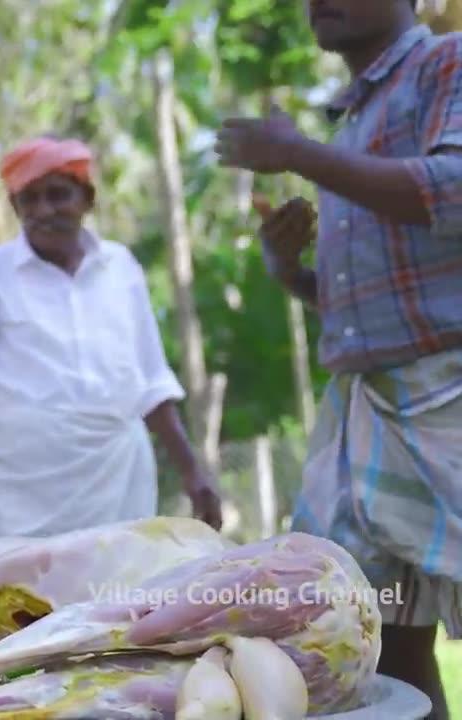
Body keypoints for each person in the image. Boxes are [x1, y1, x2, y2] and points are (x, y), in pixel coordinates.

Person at [214, 1, 461, 715]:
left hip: (448, 394)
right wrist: (290, 270)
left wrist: (297, 152)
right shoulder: (353, 118)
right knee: (376, 633)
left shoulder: (445, 64)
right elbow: (377, 303)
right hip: (367, 408)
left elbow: (453, 192)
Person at [0, 136, 224, 548]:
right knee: (20, 607)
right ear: (15, 208)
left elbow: (152, 381)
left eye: (58, 195)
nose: (44, 211)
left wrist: (193, 472)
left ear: (87, 198)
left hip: (117, 480)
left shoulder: (121, 268)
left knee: (119, 598)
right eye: (28, 200)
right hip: (18, 491)